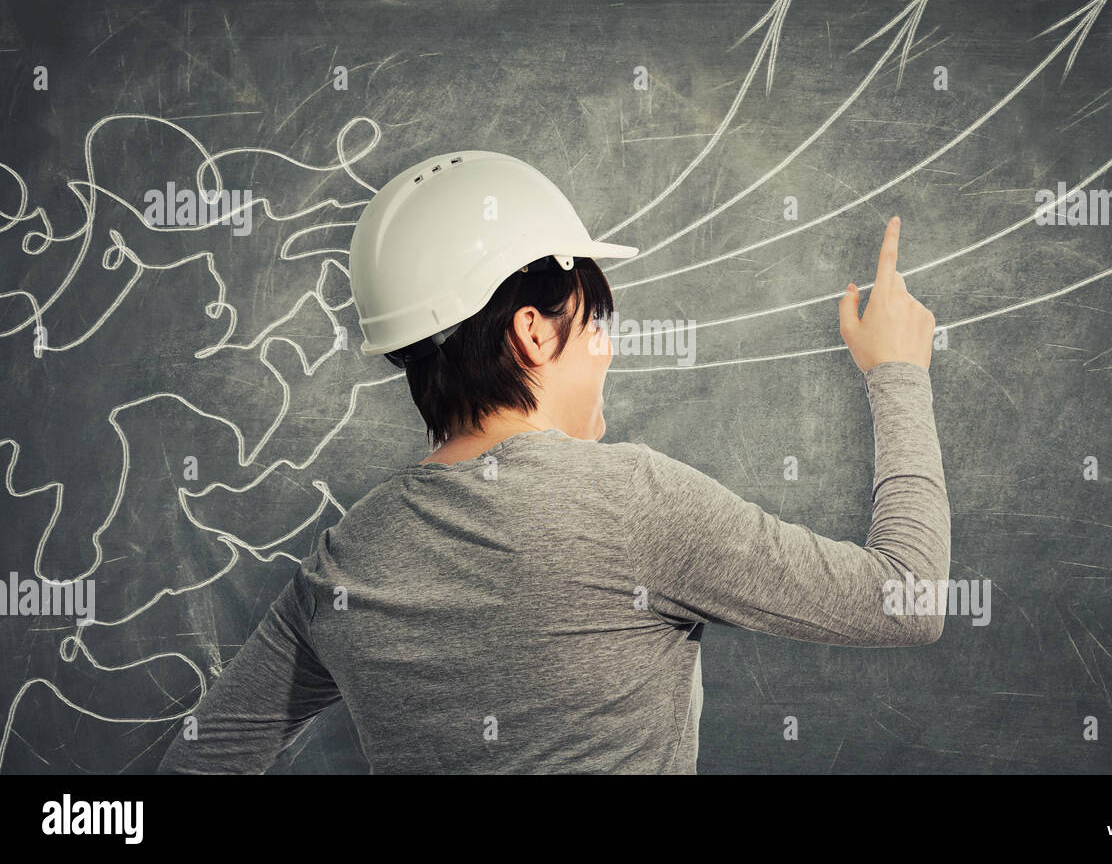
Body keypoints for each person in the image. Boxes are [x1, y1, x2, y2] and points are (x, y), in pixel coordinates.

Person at [157, 151, 948, 774]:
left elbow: (201, 762)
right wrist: (898, 373)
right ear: (534, 333)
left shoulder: (346, 560)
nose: (607, 351)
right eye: (596, 320)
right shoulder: (631, 504)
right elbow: (906, 600)